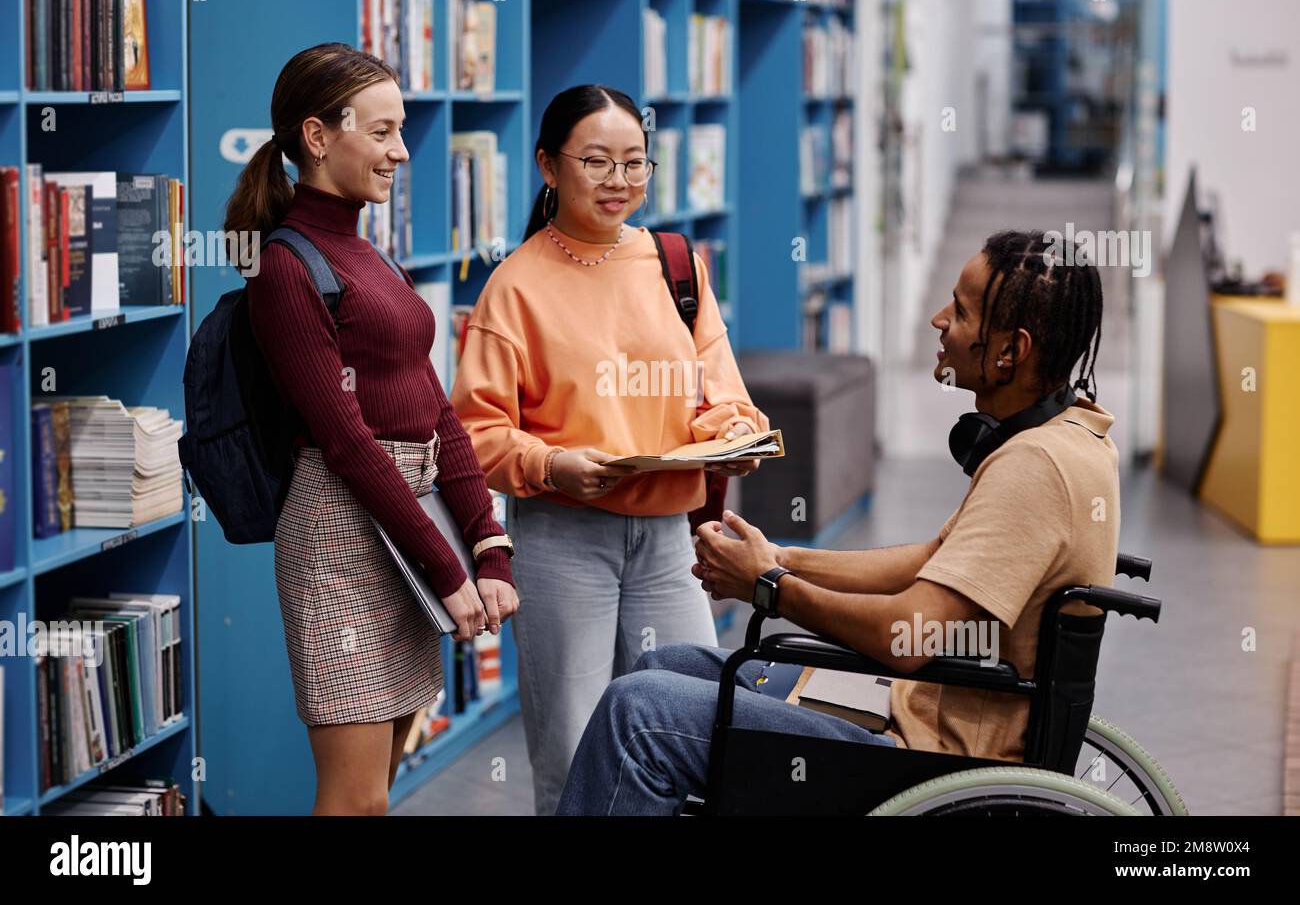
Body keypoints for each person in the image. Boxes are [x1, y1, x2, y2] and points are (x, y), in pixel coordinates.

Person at [556, 230, 1117, 814]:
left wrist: (768, 591)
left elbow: (908, 638)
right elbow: (932, 561)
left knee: (638, 713)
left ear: (1011, 349)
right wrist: (784, 559)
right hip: (917, 716)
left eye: (962, 310)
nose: (939, 319)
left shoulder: (1033, 468)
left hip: (925, 757)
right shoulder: (1071, 436)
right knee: (664, 664)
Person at [450, 84, 769, 815]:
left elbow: (721, 390)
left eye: (634, 162)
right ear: (548, 167)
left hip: (668, 542)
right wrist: (549, 464)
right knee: (572, 747)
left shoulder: (676, 265)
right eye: (596, 162)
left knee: (697, 726)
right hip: (563, 539)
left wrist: (732, 437)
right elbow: (476, 434)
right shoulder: (515, 286)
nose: (619, 180)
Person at [226, 42, 518, 815]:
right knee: (355, 801)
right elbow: (349, 444)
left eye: (401, 130)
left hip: (407, 524)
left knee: (379, 789)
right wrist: (448, 572)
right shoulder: (286, 268)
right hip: (340, 546)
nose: (400, 151)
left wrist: (488, 543)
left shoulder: (366, 251)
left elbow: (436, 410)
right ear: (319, 137)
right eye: (383, 132)